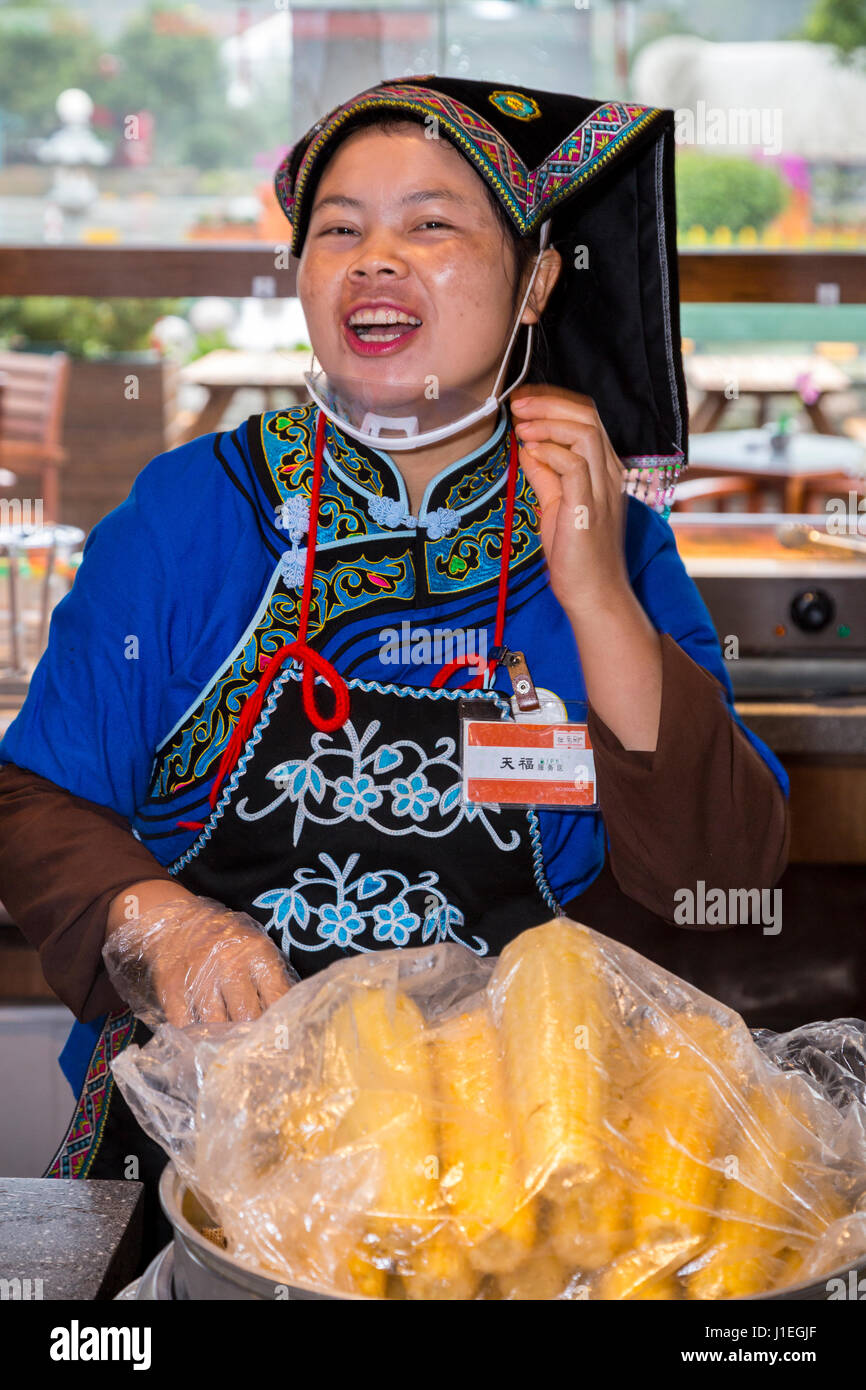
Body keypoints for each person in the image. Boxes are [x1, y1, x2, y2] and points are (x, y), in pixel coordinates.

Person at [0, 75, 789, 1270]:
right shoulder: (191, 515)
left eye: (430, 224)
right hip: (203, 1144)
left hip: (521, 1160)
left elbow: (716, 874)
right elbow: (33, 800)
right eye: (339, 229)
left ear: (532, 281)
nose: (376, 259)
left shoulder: (616, 539)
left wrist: (591, 587)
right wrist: (163, 926)